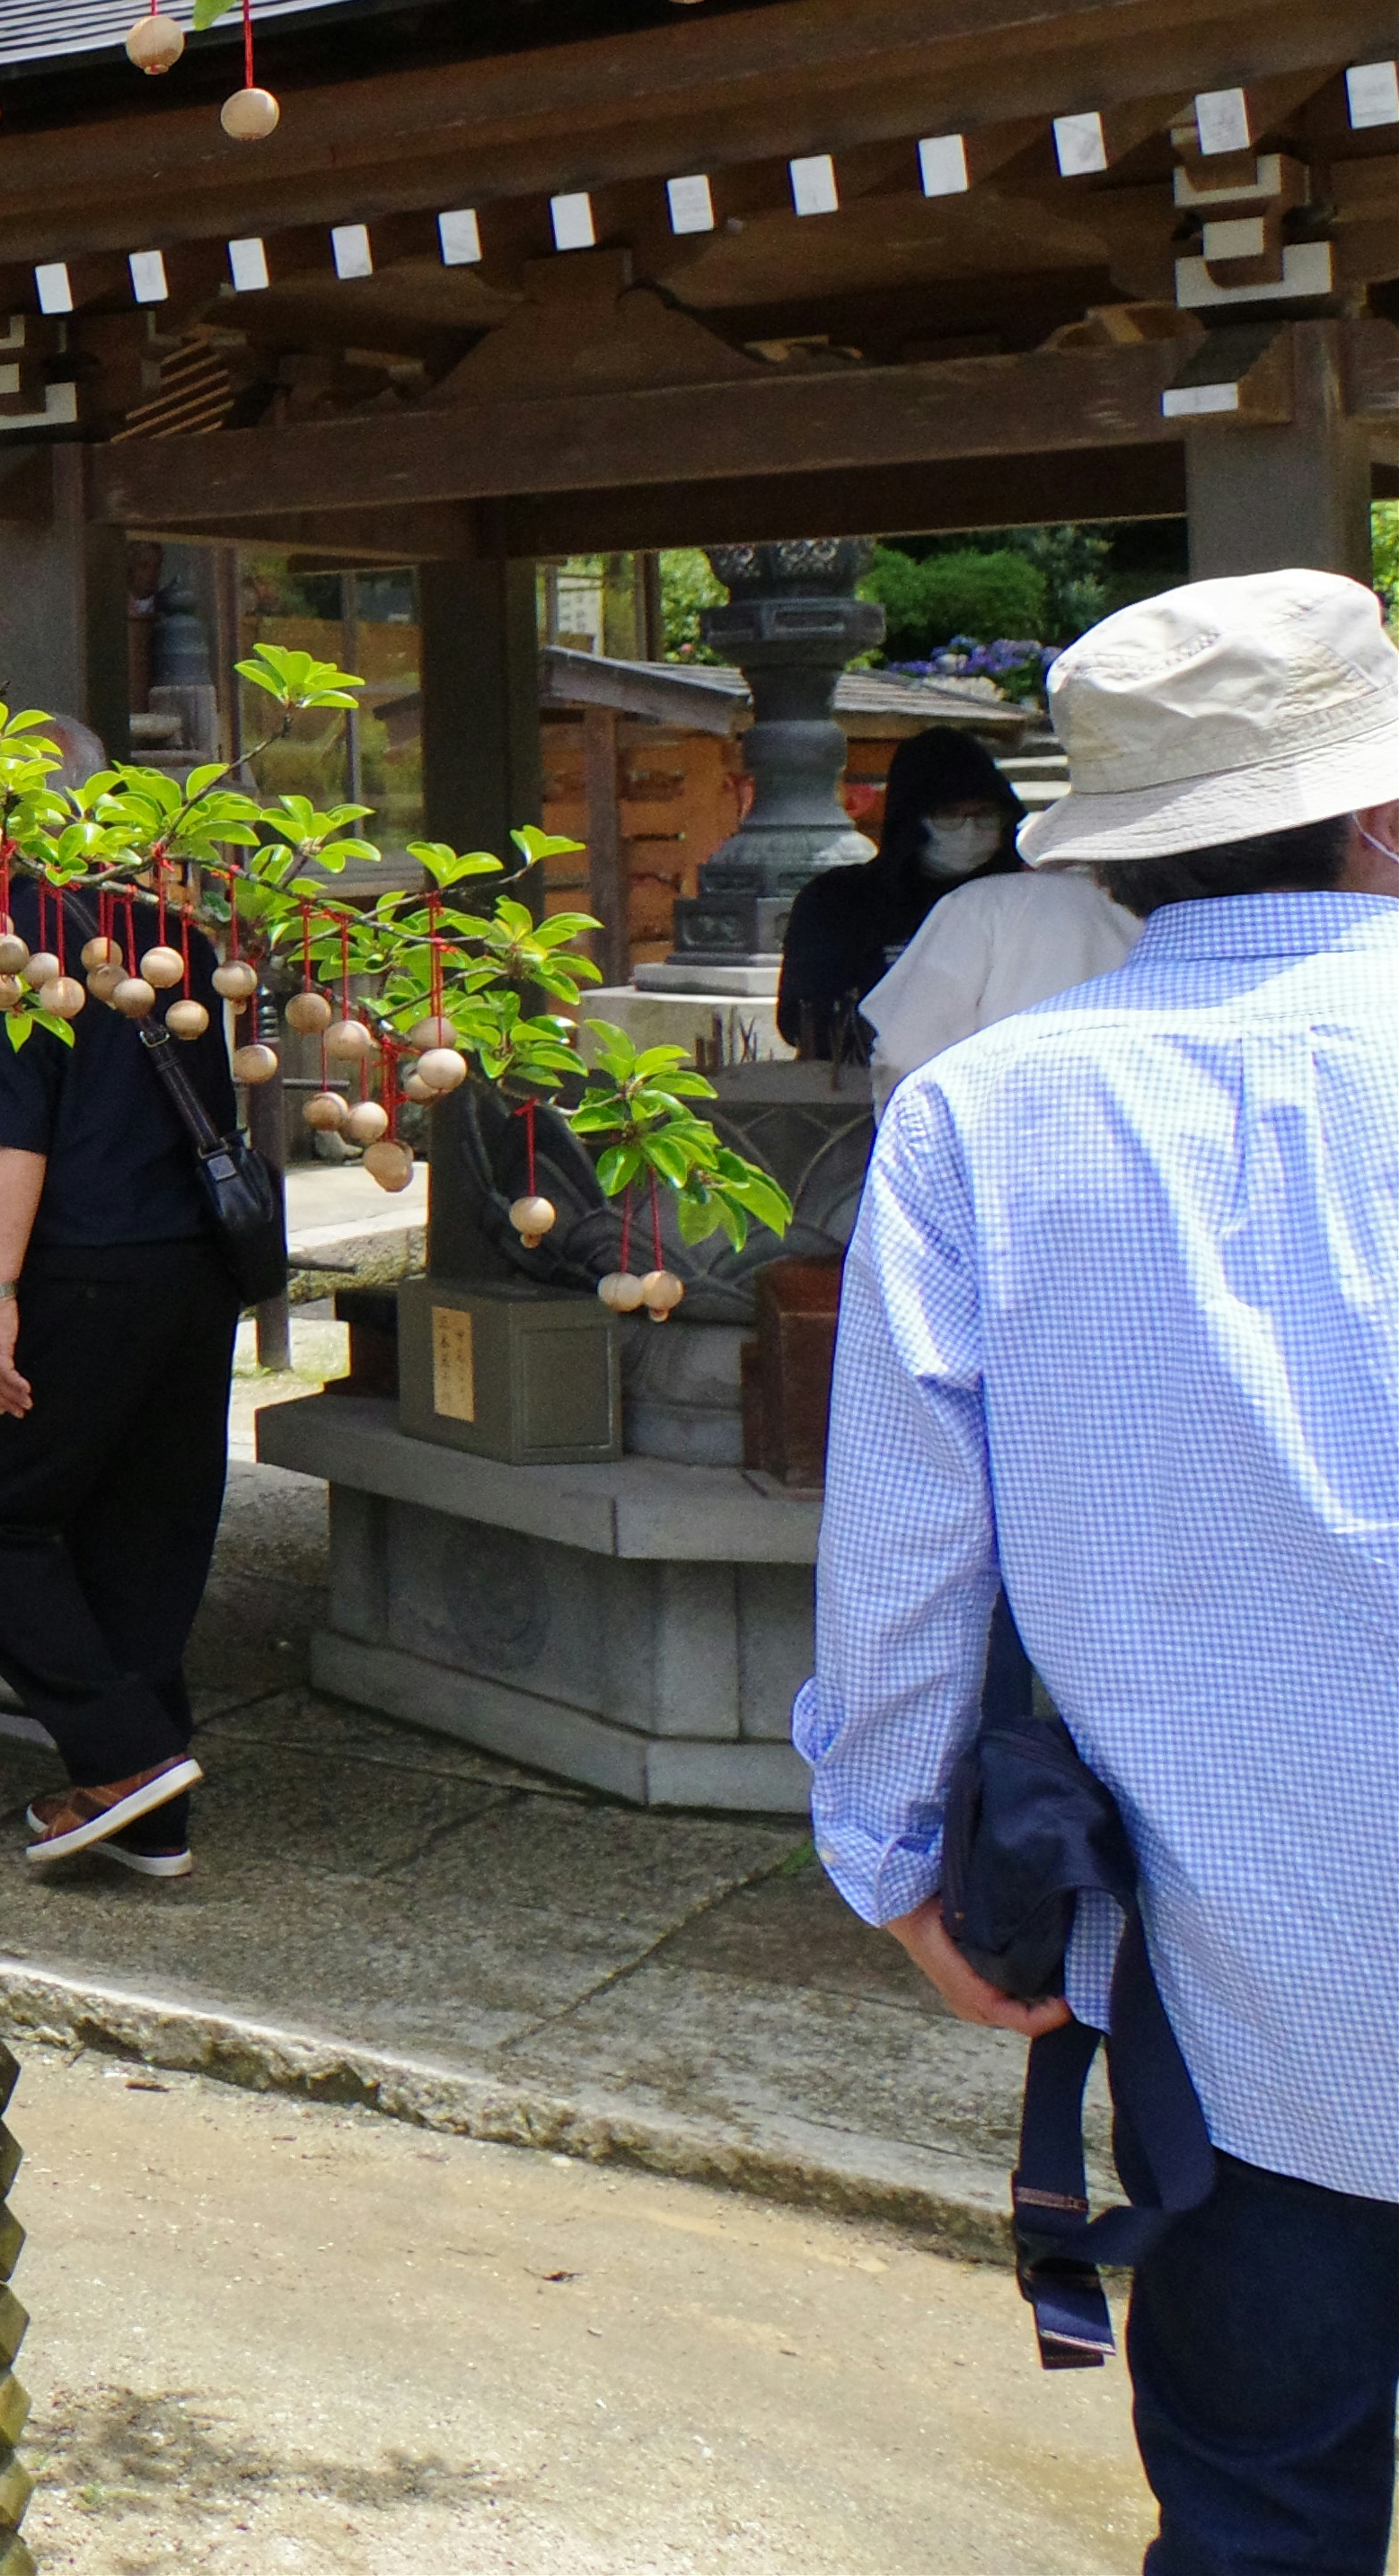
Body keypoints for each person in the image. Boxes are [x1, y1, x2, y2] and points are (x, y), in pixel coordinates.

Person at [805, 568, 1399, 2569]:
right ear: (1382, 814)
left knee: (1258, 2511)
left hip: (1239, 1993)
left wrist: (898, 1865)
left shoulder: (985, 1116)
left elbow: (904, 1563)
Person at [0, 721, 251, 1882]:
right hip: (194, 1269)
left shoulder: (13, 937)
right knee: (144, 1532)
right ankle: (151, 1815)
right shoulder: (174, 927)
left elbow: (13, 1131)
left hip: (83, 1266)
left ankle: (124, 1756)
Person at [777, 725, 1025, 1058]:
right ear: (910, 819)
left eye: (983, 815)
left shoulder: (1024, 901)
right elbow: (803, 1020)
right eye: (948, 815)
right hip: (863, 1080)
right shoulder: (838, 901)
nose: (969, 829)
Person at [853, 852, 1139, 1081]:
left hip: (1001, 1132)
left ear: (1030, 861)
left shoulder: (985, 903)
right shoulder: (1153, 911)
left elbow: (905, 1053)